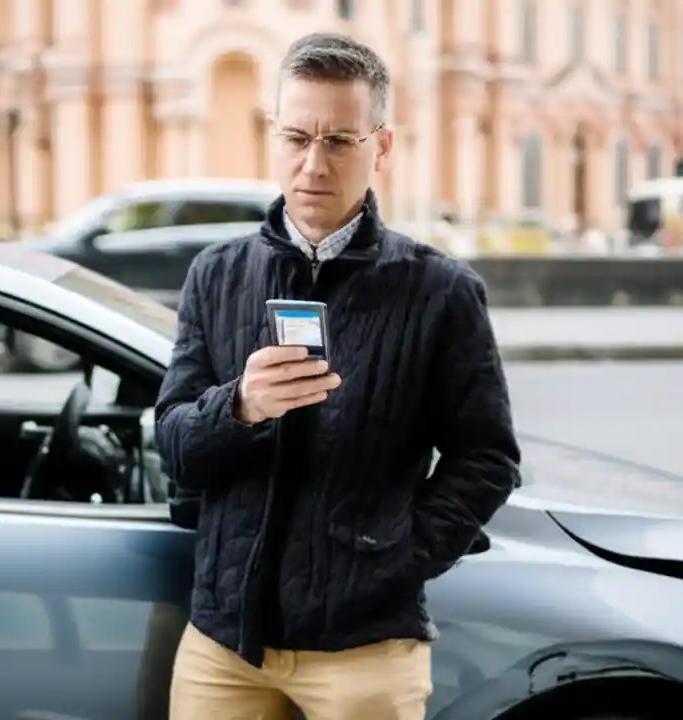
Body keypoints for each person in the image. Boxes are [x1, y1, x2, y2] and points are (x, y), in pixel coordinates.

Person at [155, 32, 521, 720]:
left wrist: (398, 560)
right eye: (296, 137)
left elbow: (488, 458)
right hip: (225, 646)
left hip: (365, 650)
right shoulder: (216, 274)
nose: (313, 164)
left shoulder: (440, 292)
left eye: (340, 141)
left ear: (379, 148)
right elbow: (173, 442)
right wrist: (237, 407)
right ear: (273, 137)